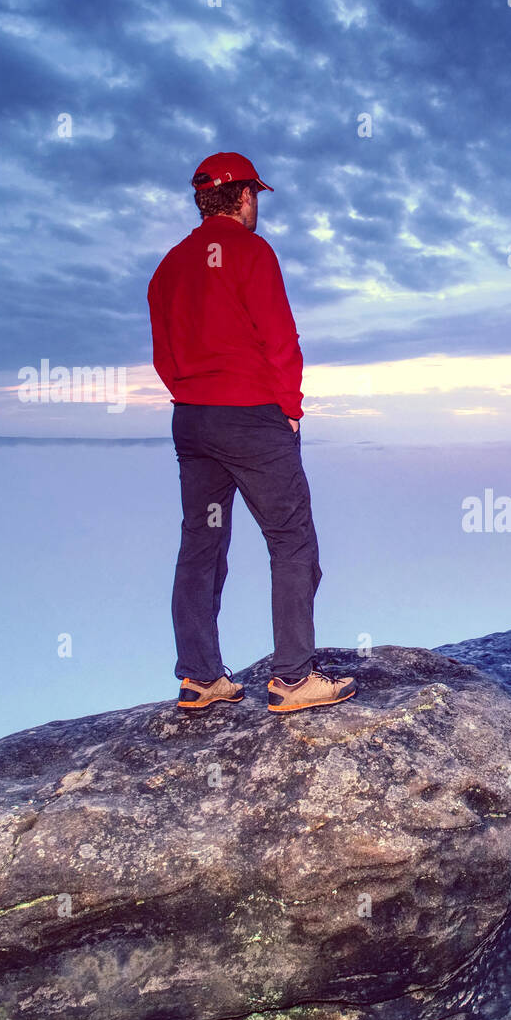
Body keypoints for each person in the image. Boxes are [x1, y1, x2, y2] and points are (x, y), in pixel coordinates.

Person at [146, 152, 355, 713]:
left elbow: (164, 354)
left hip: (192, 419)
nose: (256, 203)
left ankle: (200, 676)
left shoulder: (169, 266)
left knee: (201, 542)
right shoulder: (250, 251)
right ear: (243, 196)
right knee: (291, 540)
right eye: (255, 194)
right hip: (252, 417)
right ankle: (292, 678)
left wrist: (192, 395)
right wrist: (289, 407)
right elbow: (280, 336)